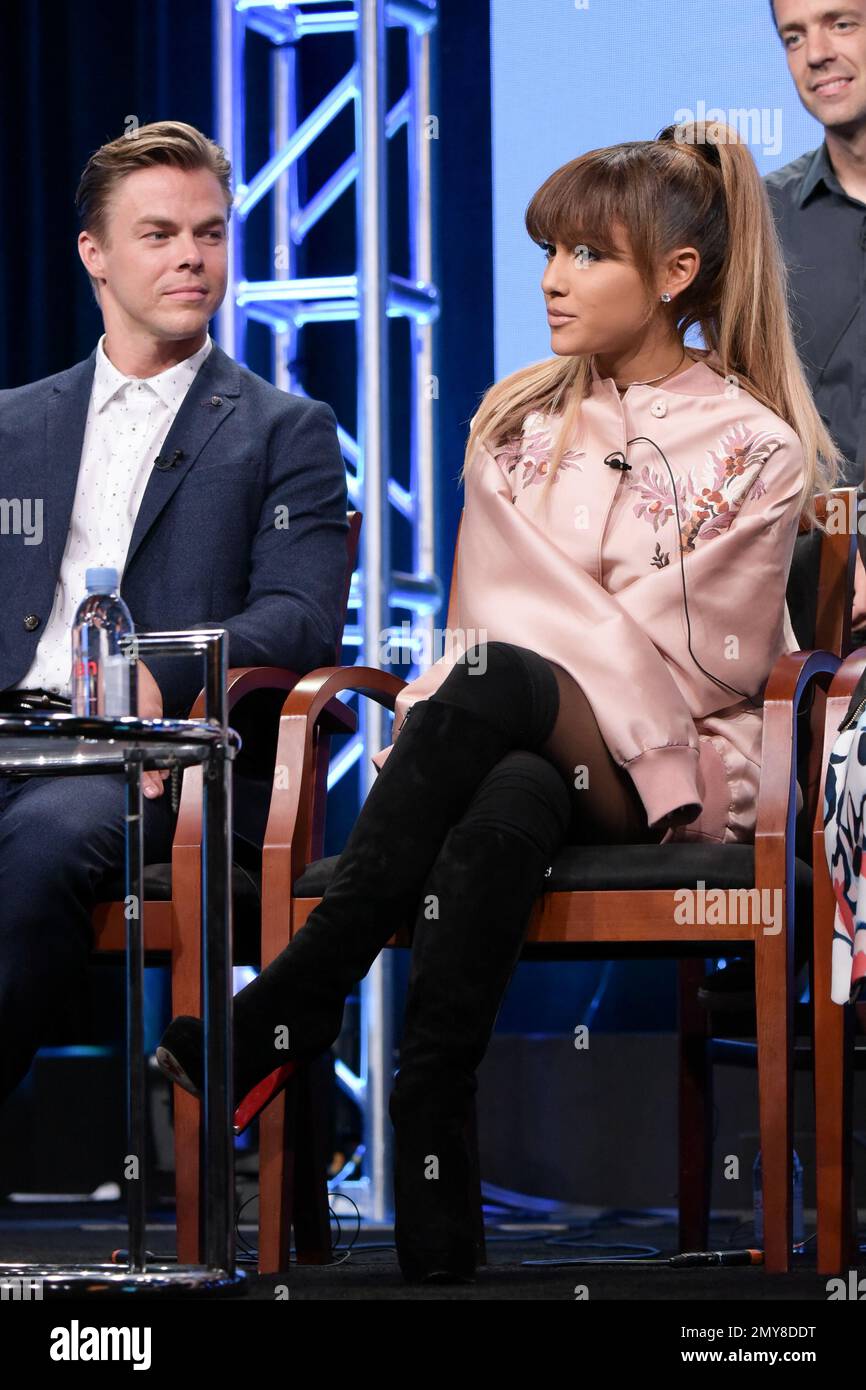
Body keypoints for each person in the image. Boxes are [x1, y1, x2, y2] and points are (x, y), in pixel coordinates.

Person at [158, 119, 839, 1284]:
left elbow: (703, 658)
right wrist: (519, 673)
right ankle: (431, 1153)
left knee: (498, 684)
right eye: (545, 252)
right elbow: (485, 608)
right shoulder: (514, 423)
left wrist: (531, 663)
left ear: (676, 275)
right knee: (511, 774)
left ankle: (294, 998)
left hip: (666, 766)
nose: (549, 281)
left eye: (584, 255)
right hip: (514, 753)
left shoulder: (755, 445)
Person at [0, 121, 348, 1108]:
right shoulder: (12, 426)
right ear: (94, 254)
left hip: (156, 771)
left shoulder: (285, 431)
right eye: (158, 234)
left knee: (46, 844)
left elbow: (300, 616)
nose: (191, 256)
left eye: (209, 232)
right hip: (12, 740)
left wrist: (171, 666)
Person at [702, 0, 866, 1011]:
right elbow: (733, 428)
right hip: (809, 604)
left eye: (841, 22)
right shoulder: (757, 224)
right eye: (793, 36)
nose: (816, 55)